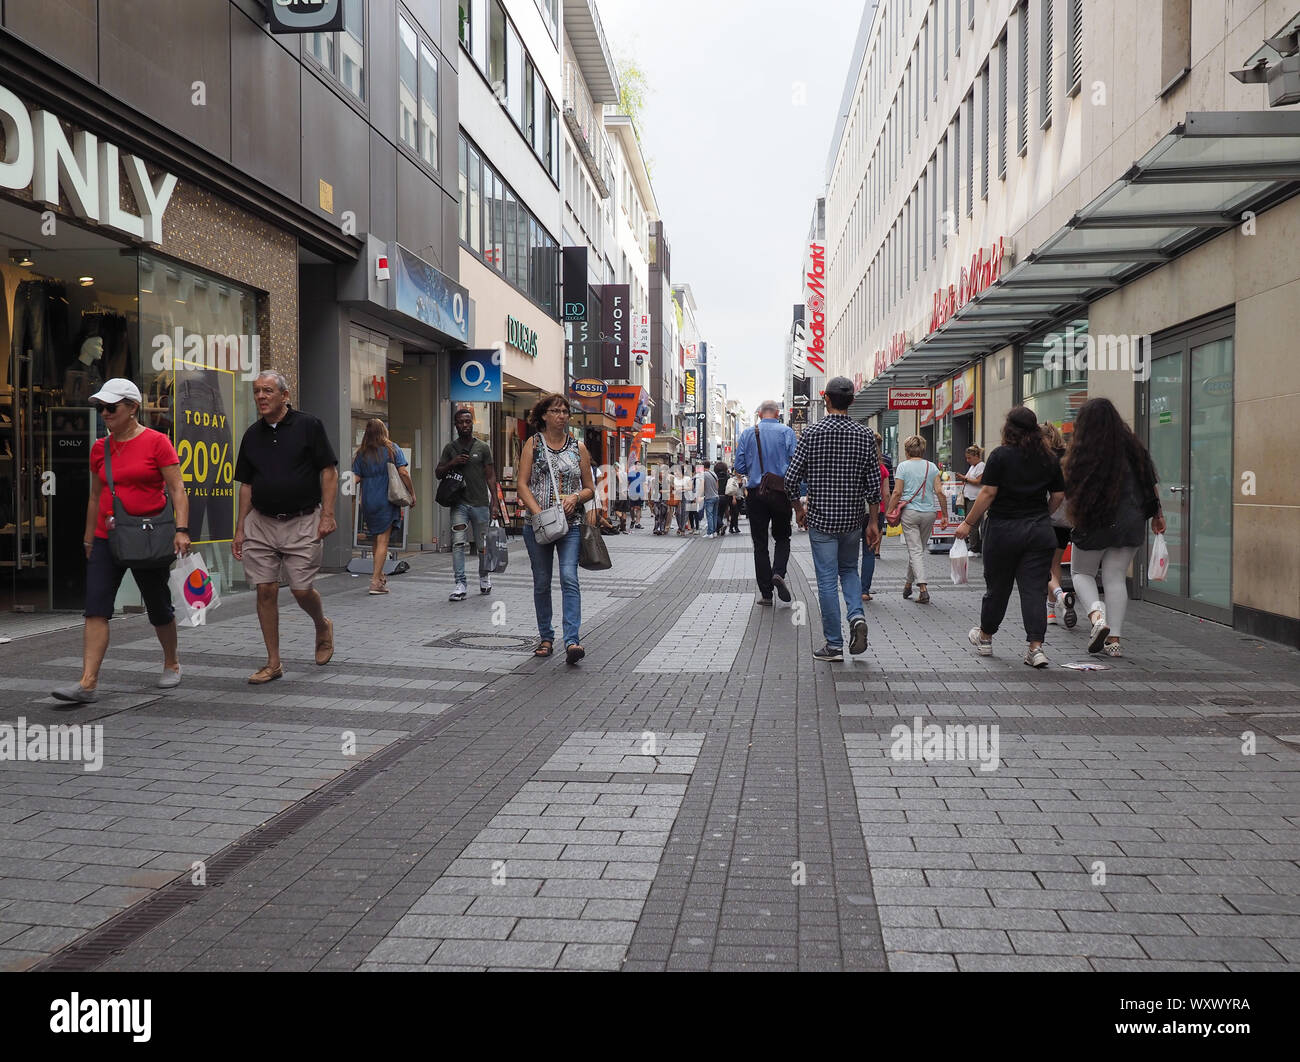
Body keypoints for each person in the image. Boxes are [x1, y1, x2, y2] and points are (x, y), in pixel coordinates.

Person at [52, 379, 191, 703]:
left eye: (111, 407)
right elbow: (95, 495)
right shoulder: (100, 448)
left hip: (146, 536)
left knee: (158, 605)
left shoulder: (157, 442)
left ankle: (171, 662)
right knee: (95, 609)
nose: (104, 413)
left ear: (132, 408)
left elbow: (177, 489)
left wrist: (181, 529)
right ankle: (87, 682)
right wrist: (89, 538)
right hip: (106, 537)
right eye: (100, 407)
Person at [232, 371, 338, 685]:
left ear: (284, 395)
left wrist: (327, 515)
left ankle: (321, 624)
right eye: (256, 392)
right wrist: (240, 529)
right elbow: (246, 486)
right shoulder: (252, 434)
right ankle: (273, 663)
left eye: (267, 391)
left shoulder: (309, 425)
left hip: (303, 520)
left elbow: (329, 472)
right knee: (265, 590)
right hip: (262, 522)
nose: (261, 397)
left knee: (301, 589)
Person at [954, 406, 1064, 668]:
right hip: (1038, 532)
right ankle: (1035, 648)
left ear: (1009, 428)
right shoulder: (1048, 457)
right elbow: (1058, 496)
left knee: (998, 588)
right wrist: (1040, 515)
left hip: (1003, 530)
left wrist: (968, 524)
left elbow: (988, 493)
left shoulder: (1001, 455)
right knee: (1034, 590)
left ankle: (985, 637)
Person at [785, 377, 882, 661]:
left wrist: (798, 509)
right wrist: (873, 521)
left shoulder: (812, 433)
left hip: (822, 519)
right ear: (852, 401)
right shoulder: (865, 435)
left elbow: (791, 479)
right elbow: (874, 485)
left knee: (827, 581)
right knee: (849, 571)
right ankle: (856, 617)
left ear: (825, 399)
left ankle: (834, 645)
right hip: (853, 518)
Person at [1064, 398, 1166, 658]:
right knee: (1115, 577)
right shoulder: (1134, 448)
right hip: (1130, 521)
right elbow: (1149, 484)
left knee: (1081, 573)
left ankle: (1098, 616)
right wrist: (1157, 514)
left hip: (1093, 519)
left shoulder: (1084, 451)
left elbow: (1071, 488)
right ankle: (1115, 640)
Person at [515, 393, 596, 664]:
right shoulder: (533, 444)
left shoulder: (578, 448)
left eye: (565, 411)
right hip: (537, 526)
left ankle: (572, 640)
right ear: (544, 415)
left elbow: (589, 488)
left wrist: (576, 498)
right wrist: (539, 515)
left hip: (570, 525)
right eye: (556, 411)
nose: (562, 415)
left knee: (569, 577)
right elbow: (522, 484)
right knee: (541, 582)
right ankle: (546, 637)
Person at [734, 400, 798, 604]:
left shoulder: (747, 433)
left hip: (756, 494)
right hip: (781, 493)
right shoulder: (787, 432)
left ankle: (766, 594)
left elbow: (740, 466)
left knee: (760, 544)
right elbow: (796, 464)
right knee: (782, 537)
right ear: (777, 413)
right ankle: (778, 572)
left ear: (760, 414)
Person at [437, 406, 501, 601]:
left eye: (467, 421)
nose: (464, 425)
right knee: (458, 543)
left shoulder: (482, 447)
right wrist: (453, 462)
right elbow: (438, 473)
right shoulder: (450, 448)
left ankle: (484, 576)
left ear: (472, 423)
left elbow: (490, 476)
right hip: (459, 504)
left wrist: (495, 502)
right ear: (455, 425)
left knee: (482, 545)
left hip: (480, 503)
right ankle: (460, 583)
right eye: (460, 422)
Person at [351, 418, 414, 595]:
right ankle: (374, 582)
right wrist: (412, 492)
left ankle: (379, 577)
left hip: (368, 500)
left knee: (376, 539)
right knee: (383, 540)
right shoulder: (392, 449)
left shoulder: (362, 453)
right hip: (386, 498)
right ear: (383, 431)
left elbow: (355, 478)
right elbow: (403, 472)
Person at [888, 435, 947, 604]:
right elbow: (940, 492)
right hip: (929, 513)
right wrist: (945, 515)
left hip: (910, 513)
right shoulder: (932, 467)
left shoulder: (903, 467)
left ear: (907, 451)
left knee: (915, 550)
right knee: (917, 550)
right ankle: (908, 585)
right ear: (923, 450)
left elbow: (897, 492)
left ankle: (922, 588)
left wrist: (890, 510)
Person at [1040, 421, 1076, 628]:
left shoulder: (1045, 459)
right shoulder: (1069, 457)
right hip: (1067, 519)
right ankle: (1051, 611)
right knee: (1056, 564)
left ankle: (1058, 597)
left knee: (1045, 565)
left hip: (1049, 516)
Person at [860, 448, 891, 602]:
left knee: (850, 553)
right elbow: (885, 493)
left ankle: (851, 587)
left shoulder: (855, 463)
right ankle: (864, 590)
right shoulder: (882, 468)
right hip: (875, 511)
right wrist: (889, 513)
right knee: (869, 552)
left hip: (855, 510)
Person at [953, 445, 985, 555]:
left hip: (975, 498)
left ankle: (974, 548)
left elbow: (978, 481)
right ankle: (974, 546)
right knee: (969, 521)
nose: (968, 460)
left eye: (969, 458)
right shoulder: (973, 467)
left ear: (976, 456)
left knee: (972, 523)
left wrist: (964, 478)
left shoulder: (981, 466)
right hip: (969, 497)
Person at [701, 462, 720, 537]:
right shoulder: (714, 474)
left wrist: (700, 495)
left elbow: (702, 485)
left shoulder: (704, 474)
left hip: (709, 497)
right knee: (714, 515)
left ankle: (710, 533)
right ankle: (714, 532)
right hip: (716, 497)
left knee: (709, 515)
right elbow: (717, 486)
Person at [627, 457, 645, 529]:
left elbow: (644, 484)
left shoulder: (642, 474)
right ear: (635, 466)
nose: (639, 466)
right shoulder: (631, 474)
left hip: (640, 493)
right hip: (632, 493)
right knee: (631, 508)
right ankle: (633, 520)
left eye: (640, 465)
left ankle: (638, 523)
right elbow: (628, 483)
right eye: (638, 465)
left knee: (639, 508)